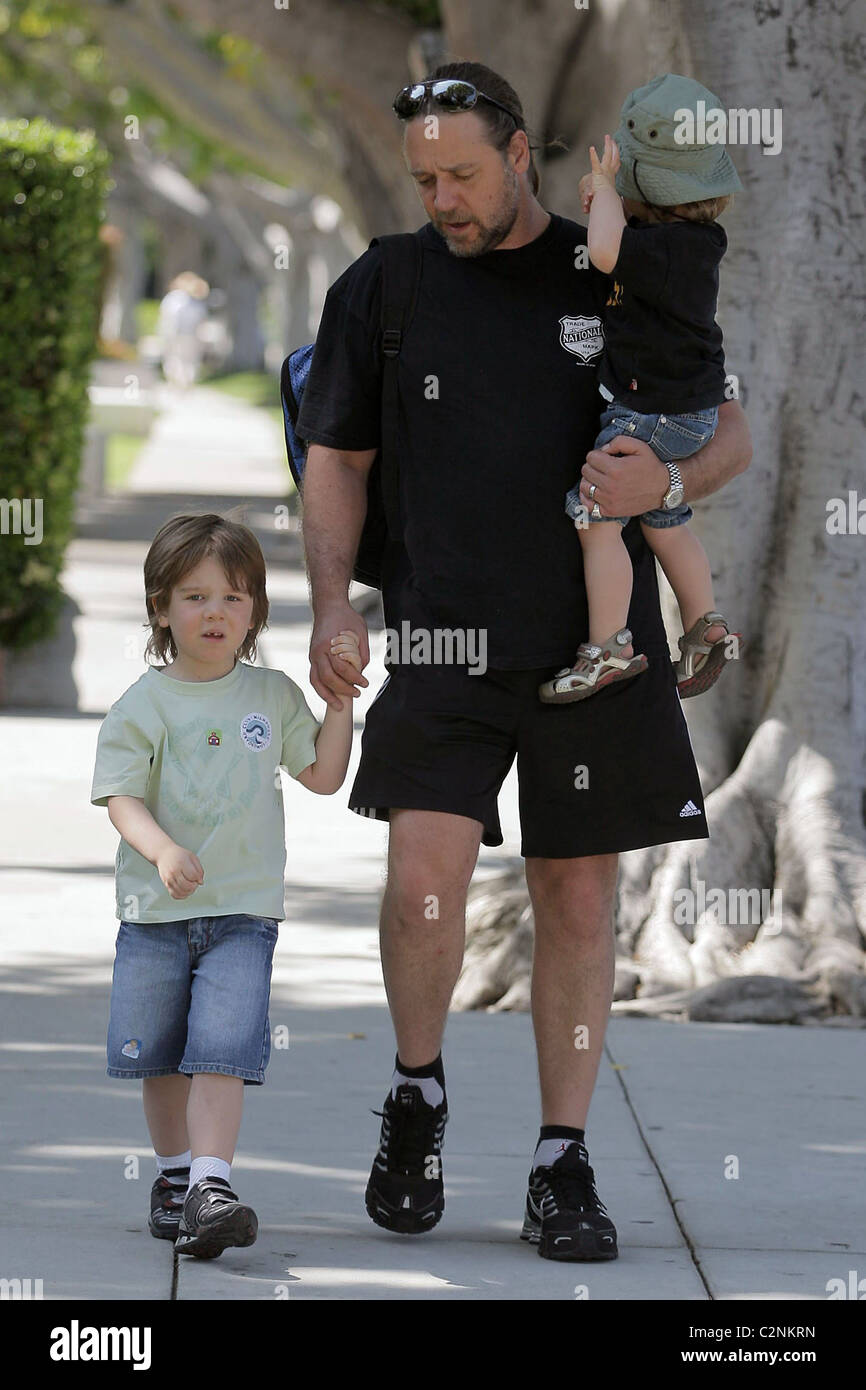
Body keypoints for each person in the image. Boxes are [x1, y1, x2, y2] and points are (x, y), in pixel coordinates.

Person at [297, 61, 752, 1262]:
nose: (442, 196)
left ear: (519, 156)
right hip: (441, 640)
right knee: (419, 887)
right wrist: (332, 603)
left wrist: (666, 481)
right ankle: (416, 1096)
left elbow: (726, 429)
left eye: (461, 173)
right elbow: (335, 457)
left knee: (580, 899)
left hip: (592, 652)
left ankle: (560, 1158)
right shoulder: (384, 286)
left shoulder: (617, 263)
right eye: (424, 178)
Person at [90, 511, 360, 1259]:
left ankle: (212, 1184)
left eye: (235, 598)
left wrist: (339, 707)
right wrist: (162, 849)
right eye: (195, 597)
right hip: (156, 912)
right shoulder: (142, 705)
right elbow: (120, 795)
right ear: (161, 609)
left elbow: (324, 776)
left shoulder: (271, 696)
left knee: (221, 1049)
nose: (215, 613)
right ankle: (175, 1176)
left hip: (243, 913)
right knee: (160, 1056)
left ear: (256, 613)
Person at [541, 75, 744, 705]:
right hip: (691, 413)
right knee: (664, 521)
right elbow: (617, 246)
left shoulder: (664, 250)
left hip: (651, 414)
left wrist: (605, 193)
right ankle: (705, 623)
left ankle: (609, 647)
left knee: (597, 519)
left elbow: (605, 252)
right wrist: (606, 200)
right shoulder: (689, 244)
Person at [158, 272, 209, 389]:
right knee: (187, 361)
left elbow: (168, 318)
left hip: (179, 335)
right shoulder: (196, 302)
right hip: (189, 336)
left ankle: (179, 383)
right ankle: (184, 382)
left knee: (176, 359)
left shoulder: (174, 299)